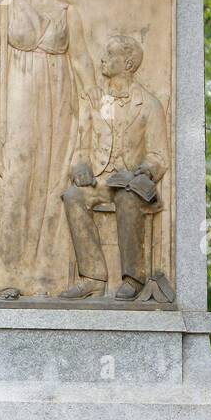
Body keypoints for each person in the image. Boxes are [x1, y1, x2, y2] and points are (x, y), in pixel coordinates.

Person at [0, 0, 96, 297]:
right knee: (18, 179)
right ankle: (7, 275)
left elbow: (81, 62)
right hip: (18, 98)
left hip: (59, 102)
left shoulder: (67, 12)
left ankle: (46, 276)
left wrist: (99, 106)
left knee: (51, 183)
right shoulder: (10, 0)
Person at [60, 34, 168, 300]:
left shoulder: (150, 105)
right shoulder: (93, 101)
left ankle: (133, 278)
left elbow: (158, 156)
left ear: (129, 63)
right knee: (73, 196)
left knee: (128, 200)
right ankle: (93, 276)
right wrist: (80, 166)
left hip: (131, 183)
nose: (102, 59)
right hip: (100, 180)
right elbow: (80, 145)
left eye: (110, 54)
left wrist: (144, 171)